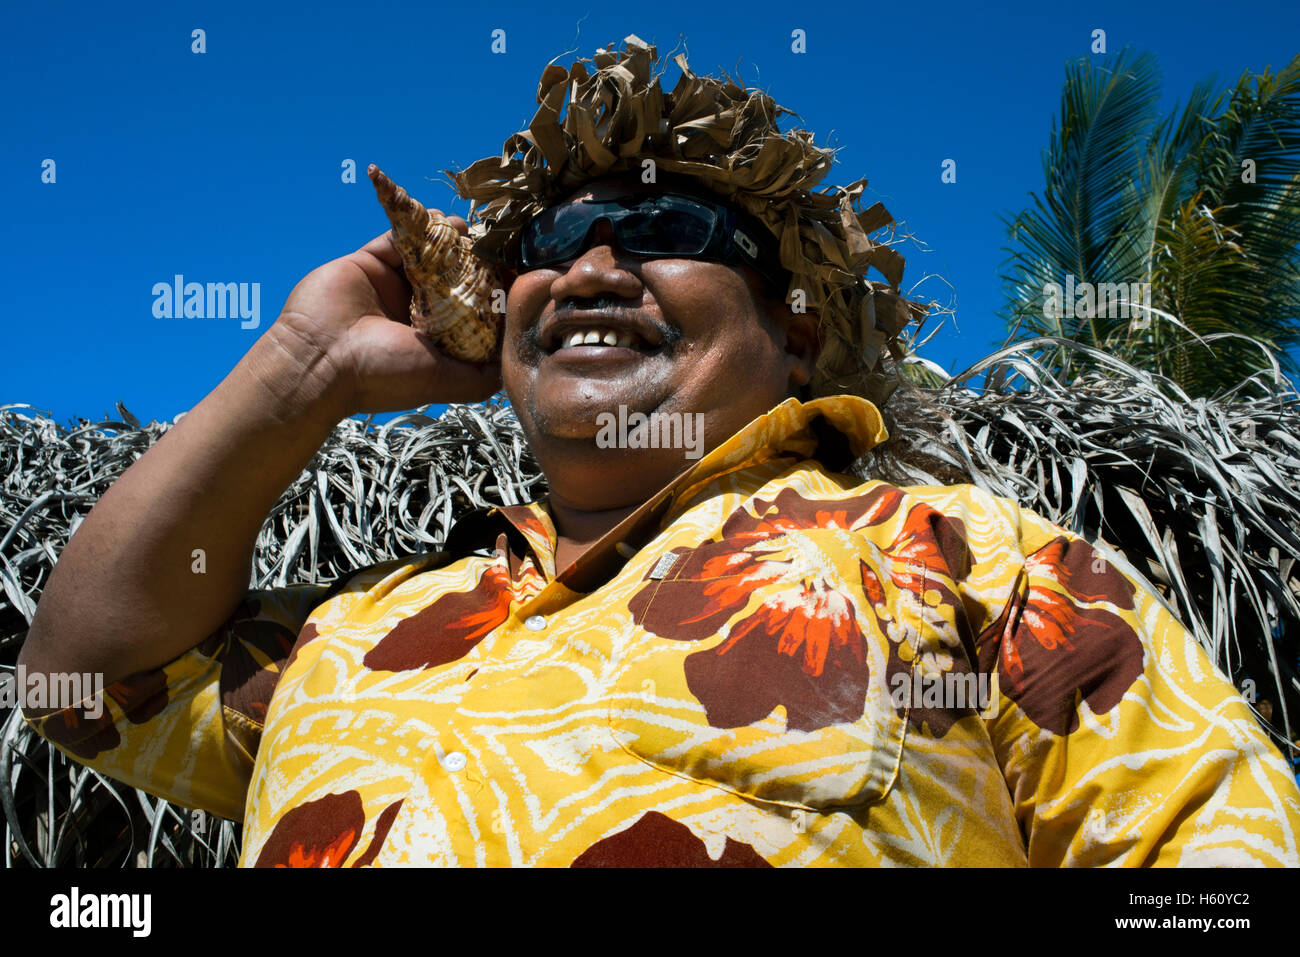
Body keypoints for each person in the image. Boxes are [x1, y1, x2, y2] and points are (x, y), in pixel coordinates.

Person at [19, 37, 1300, 867]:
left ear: (796, 335)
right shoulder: (364, 624)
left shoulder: (967, 557)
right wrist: (304, 371)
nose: (587, 264)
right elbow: (76, 686)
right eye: (551, 245)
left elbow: (1215, 866)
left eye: (663, 225)